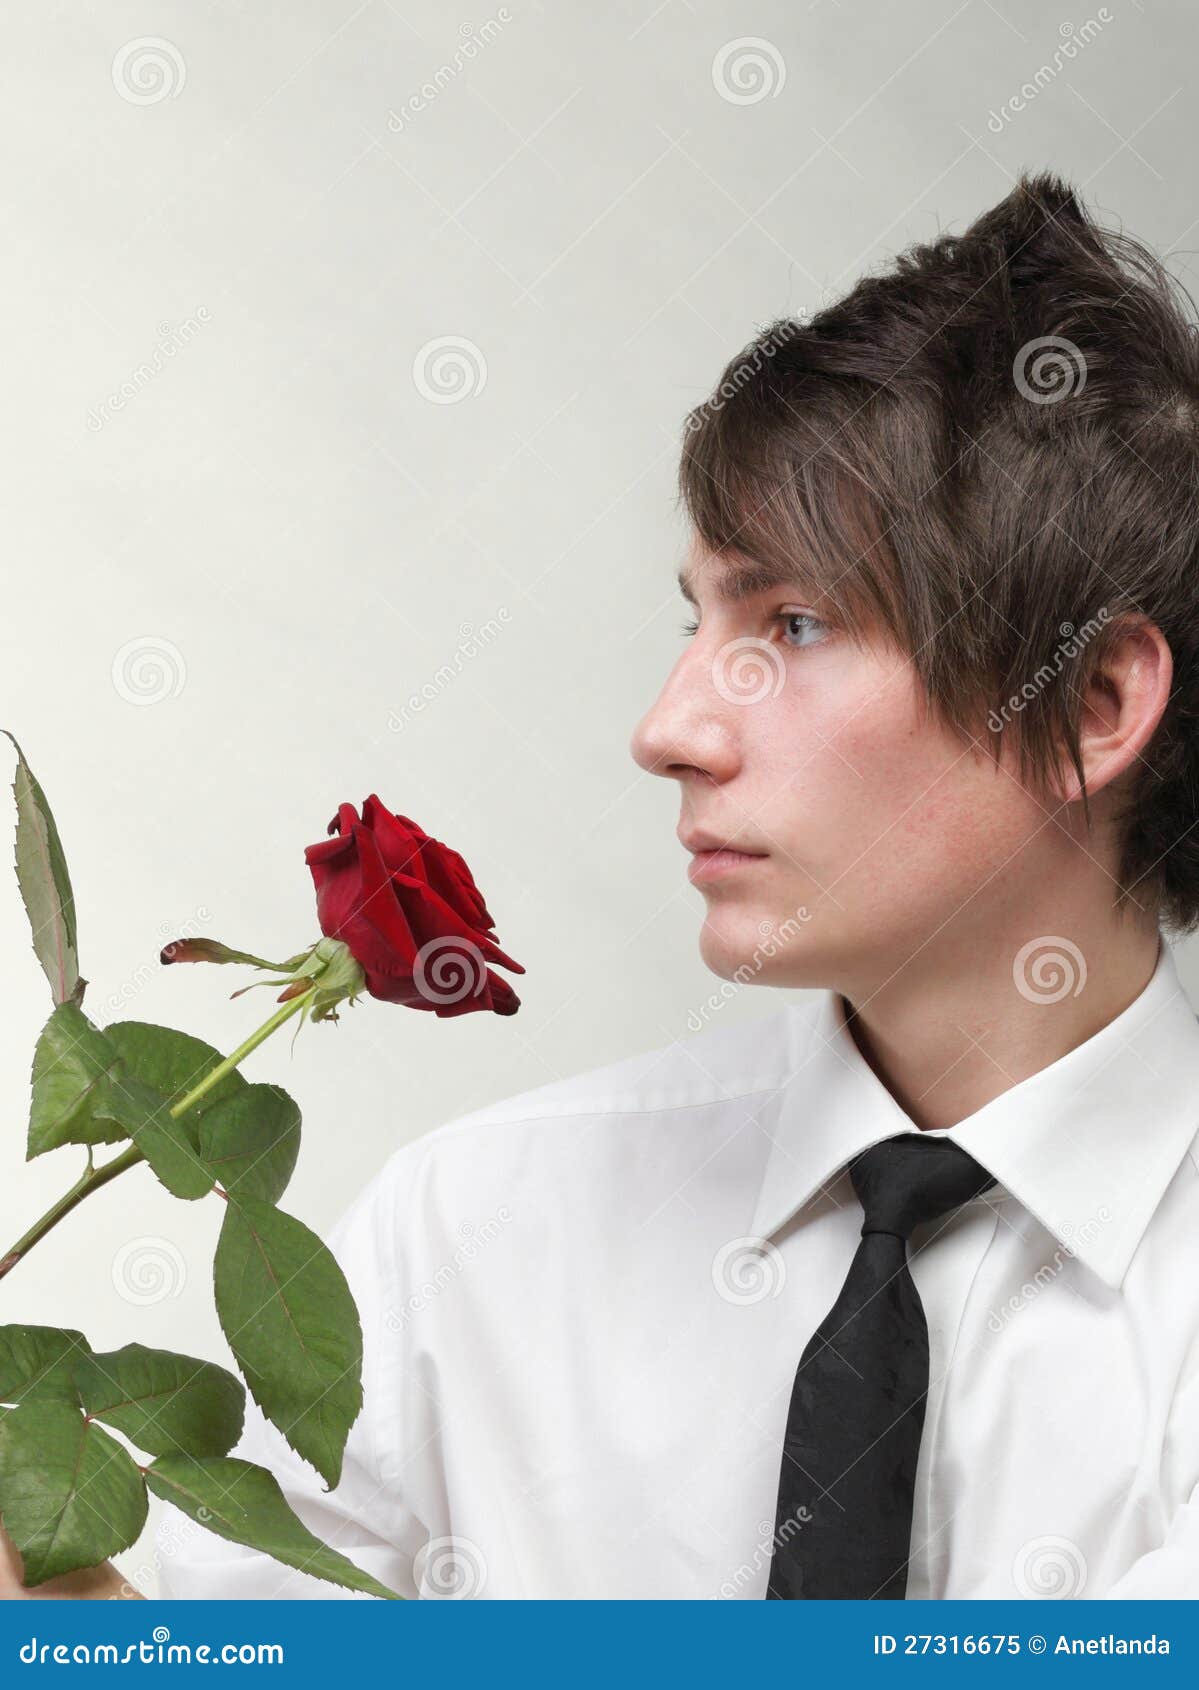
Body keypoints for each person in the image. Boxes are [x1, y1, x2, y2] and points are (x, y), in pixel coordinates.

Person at [10, 169, 1199, 1600]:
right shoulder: (474, 1233)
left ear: (1092, 700)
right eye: (696, 619)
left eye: (796, 621)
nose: (669, 728)